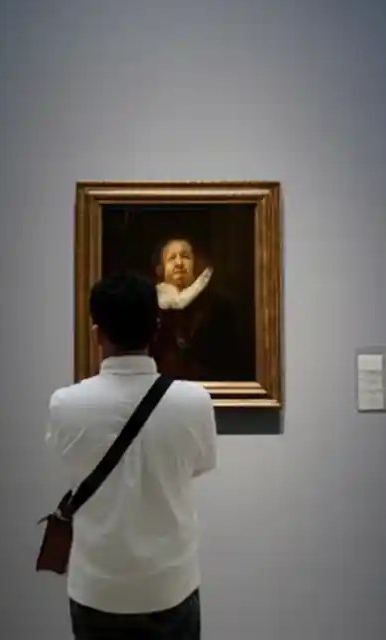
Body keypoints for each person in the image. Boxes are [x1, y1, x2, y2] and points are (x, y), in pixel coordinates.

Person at [46, 272, 218, 639]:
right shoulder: (195, 402)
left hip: (97, 588)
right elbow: (202, 464)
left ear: (96, 333)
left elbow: (67, 463)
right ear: (156, 329)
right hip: (170, 585)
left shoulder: (65, 404)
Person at [149, 237, 251, 381]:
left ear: (196, 265)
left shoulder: (220, 307)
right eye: (172, 258)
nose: (179, 263)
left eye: (185, 257)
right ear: (160, 269)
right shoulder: (149, 306)